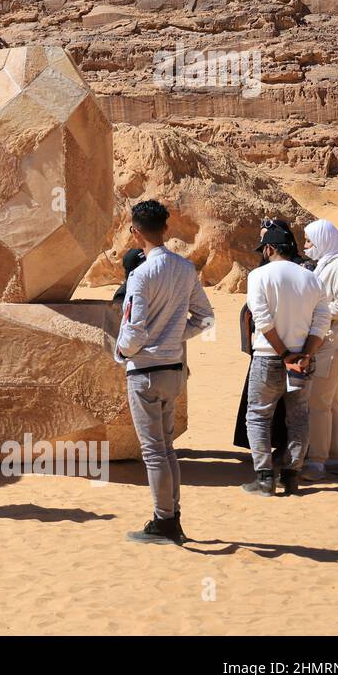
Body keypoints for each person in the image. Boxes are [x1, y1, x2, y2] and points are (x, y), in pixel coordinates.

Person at [115, 200, 214, 544]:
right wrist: (175, 335)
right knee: (167, 448)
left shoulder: (141, 275)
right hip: (174, 369)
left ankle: (164, 520)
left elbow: (135, 329)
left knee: (154, 451)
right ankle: (172, 515)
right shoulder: (185, 269)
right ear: (166, 229)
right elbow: (205, 317)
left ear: (135, 231)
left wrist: (121, 350)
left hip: (145, 370)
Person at [241, 226, 331, 497]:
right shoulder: (312, 278)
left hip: (269, 357)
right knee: (299, 418)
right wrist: (304, 354)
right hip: (303, 359)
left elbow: (262, 319)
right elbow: (322, 321)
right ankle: (291, 476)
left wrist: (284, 354)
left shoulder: (258, 275)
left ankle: (264, 476)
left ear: (269, 249)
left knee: (257, 416)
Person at [231, 220, 298, 455]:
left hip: (276, 348)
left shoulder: (286, 272)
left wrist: (284, 351)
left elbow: (264, 317)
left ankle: (265, 471)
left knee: (268, 409)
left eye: (265, 241)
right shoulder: (275, 271)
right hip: (279, 348)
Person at [301, 219, 338, 481]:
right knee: (330, 401)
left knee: (318, 403)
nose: (306, 246)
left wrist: (315, 313)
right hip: (328, 339)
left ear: (323, 240)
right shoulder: (327, 263)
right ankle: (335, 457)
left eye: (310, 241)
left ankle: (317, 462)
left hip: (332, 341)